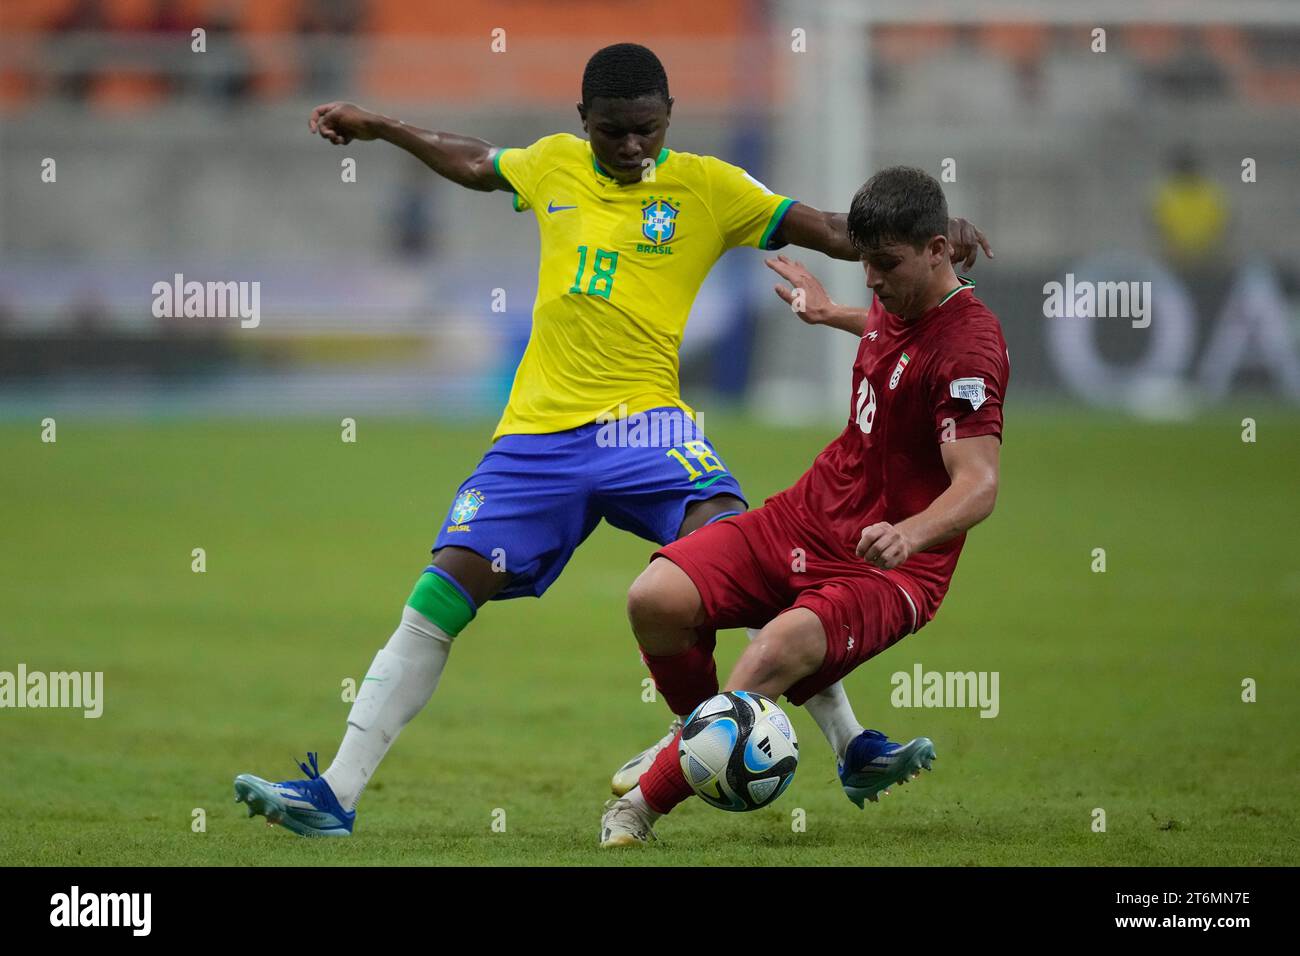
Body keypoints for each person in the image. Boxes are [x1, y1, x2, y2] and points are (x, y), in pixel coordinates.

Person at [232, 44, 992, 837]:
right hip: (536, 434)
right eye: (612, 133)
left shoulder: (709, 186)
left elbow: (837, 230)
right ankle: (336, 795)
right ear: (581, 123)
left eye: (648, 131)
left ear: (669, 118)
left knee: (731, 549)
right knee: (440, 591)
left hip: (647, 425)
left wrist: (932, 232)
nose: (632, 148)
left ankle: (839, 739)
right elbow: (472, 161)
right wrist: (380, 125)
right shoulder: (551, 165)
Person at [600, 166, 1009, 846]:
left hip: (889, 568)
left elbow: (979, 483)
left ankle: (640, 806)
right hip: (810, 513)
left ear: (936, 251)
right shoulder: (899, 295)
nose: (871, 281)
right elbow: (888, 337)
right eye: (867, 265)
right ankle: (705, 738)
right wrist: (832, 314)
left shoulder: (970, 348)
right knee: (655, 598)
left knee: (775, 650)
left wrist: (910, 535)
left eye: (885, 266)